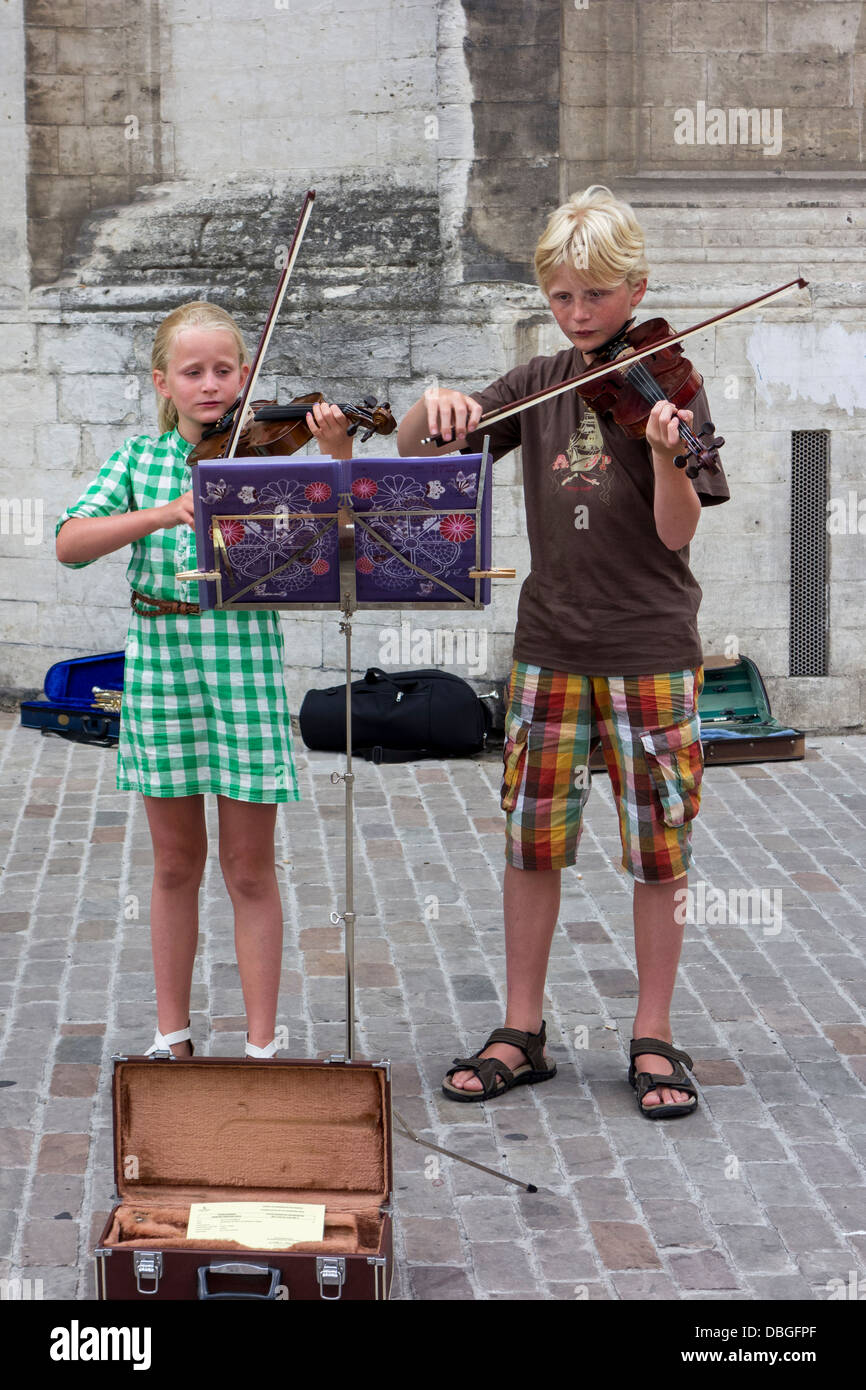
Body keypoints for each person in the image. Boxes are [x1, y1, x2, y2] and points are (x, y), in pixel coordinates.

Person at [397, 186, 729, 1118]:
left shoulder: (670, 391)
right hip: (549, 647)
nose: (578, 315)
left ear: (636, 290)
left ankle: (654, 1035)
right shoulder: (539, 381)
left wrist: (668, 458)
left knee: (659, 849)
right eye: (561, 297)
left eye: (595, 296)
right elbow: (429, 453)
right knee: (531, 842)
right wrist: (435, 406)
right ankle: (522, 1030)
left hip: (650, 649)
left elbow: (675, 537)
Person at [55, 301, 353, 1059]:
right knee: (174, 863)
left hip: (244, 669)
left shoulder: (264, 460)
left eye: (225, 370)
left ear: (245, 375)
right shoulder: (136, 461)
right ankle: (172, 1036)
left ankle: (260, 1047)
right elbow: (70, 543)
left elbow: (347, 533)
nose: (211, 385)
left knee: (250, 868)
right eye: (193, 372)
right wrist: (163, 512)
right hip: (160, 667)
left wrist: (337, 452)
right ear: (165, 381)